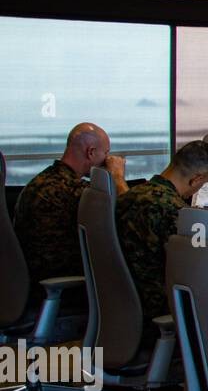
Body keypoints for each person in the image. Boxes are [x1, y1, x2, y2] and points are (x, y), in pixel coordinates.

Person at [116, 140, 208, 341]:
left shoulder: (128, 196)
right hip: (157, 306)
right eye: (204, 183)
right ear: (196, 179)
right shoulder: (177, 214)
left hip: (122, 303)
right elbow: (197, 271)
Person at [14, 122, 128, 290]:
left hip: (30, 281)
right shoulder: (76, 192)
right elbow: (132, 213)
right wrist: (117, 177)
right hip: (61, 284)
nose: (107, 159)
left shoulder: (40, 182)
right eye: (106, 153)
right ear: (91, 152)